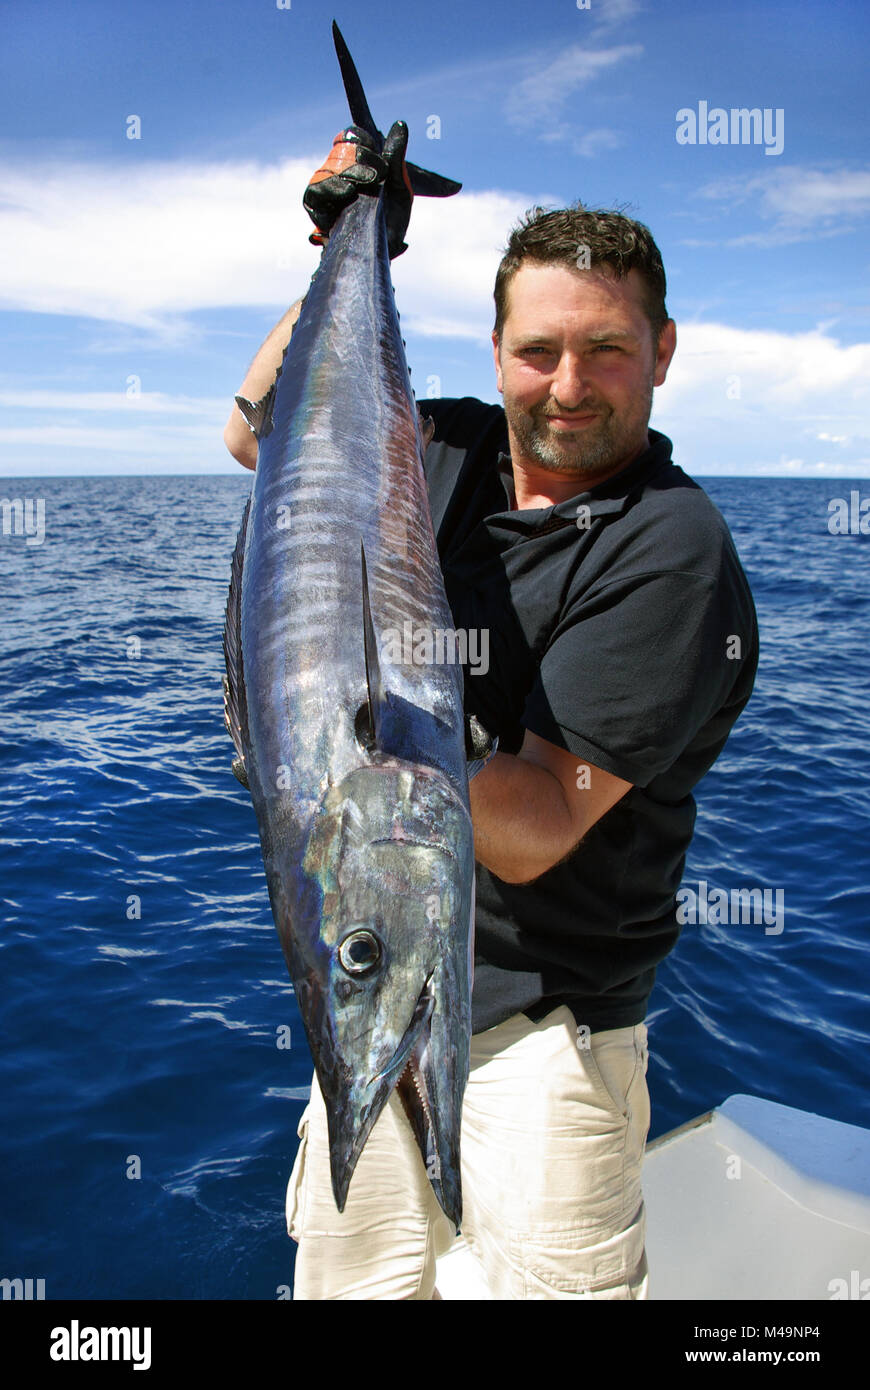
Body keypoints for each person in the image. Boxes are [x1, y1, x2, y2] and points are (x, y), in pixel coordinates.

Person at [223, 128, 759, 1300]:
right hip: (372, 1007)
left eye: (606, 350)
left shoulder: (670, 549)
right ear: (500, 353)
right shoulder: (445, 445)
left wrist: (377, 748)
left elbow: (532, 824)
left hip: (541, 1054)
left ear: (662, 353)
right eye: (539, 350)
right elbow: (254, 429)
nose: (568, 386)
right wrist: (343, 239)